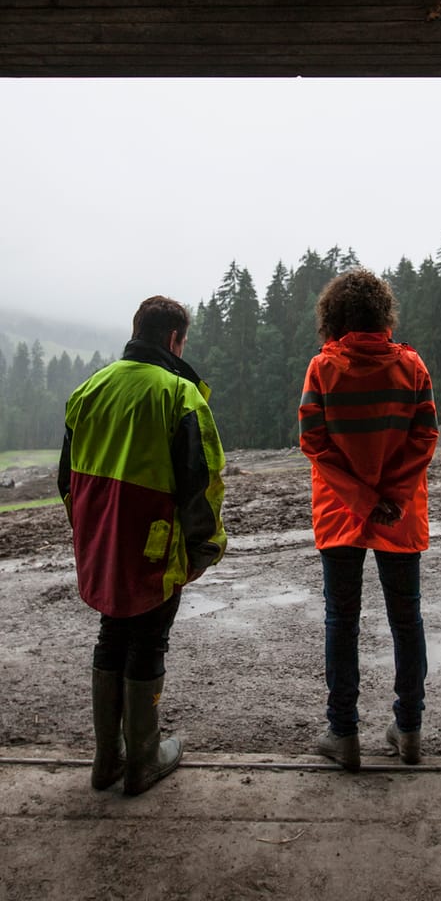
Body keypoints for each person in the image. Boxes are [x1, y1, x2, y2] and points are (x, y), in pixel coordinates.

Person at [58, 295, 227, 796]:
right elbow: (203, 484)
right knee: (150, 639)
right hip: (158, 543)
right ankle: (143, 760)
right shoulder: (180, 394)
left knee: (112, 634)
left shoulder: (88, 390)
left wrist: (89, 534)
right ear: (175, 340)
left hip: (103, 541)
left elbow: (67, 480)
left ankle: (107, 760)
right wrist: (203, 549)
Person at [299, 268, 439, 771]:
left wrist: (360, 500)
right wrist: (391, 498)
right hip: (398, 516)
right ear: (384, 314)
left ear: (332, 317)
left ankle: (344, 734)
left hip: (340, 514)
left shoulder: (323, 370)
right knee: (407, 621)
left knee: (342, 620)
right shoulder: (412, 368)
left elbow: (313, 442)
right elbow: (425, 437)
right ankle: (410, 730)